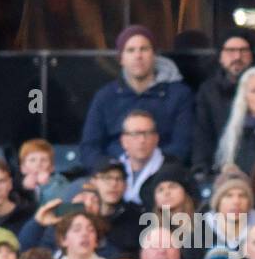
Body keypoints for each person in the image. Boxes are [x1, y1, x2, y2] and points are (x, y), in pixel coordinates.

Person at [80, 26, 194, 171]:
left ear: (154, 54)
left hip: (161, 174)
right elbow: (89, 148)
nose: (138, 56)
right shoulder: (105, 96)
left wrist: (150, 167)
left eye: (144, 49)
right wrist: (113, 169)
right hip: (115, 174)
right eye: (131, 50)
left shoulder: (179, 94)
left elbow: (182, 146)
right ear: (121, 59)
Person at [192, 28, 255, 177]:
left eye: (243, 51)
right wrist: (201, 170)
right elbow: (202, 135)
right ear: (220, 57)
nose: (237, 56)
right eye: (231, 51)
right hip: (219, 172)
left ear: (251, 56)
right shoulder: (208, 91)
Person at [116, 111, 168, 204]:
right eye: (135, 134)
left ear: (156, 138)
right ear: (124, 140)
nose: (142, 140)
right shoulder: (113, 169)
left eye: (147, 133)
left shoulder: (171, 170)